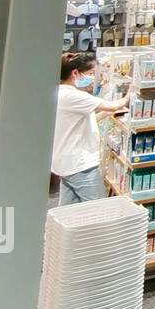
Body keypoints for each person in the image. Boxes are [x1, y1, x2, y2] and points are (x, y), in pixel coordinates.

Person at [53, 52, 128, 205]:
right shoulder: (73, 96)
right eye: (91, 73)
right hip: (81, 166)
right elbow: (115, 104)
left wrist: (107, 113)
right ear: (75, 73)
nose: (93, 78)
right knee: (98, 209)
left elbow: (84, 121)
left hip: (66, 163)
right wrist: (131, 92)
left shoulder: (60, 93)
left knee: (68, 210)